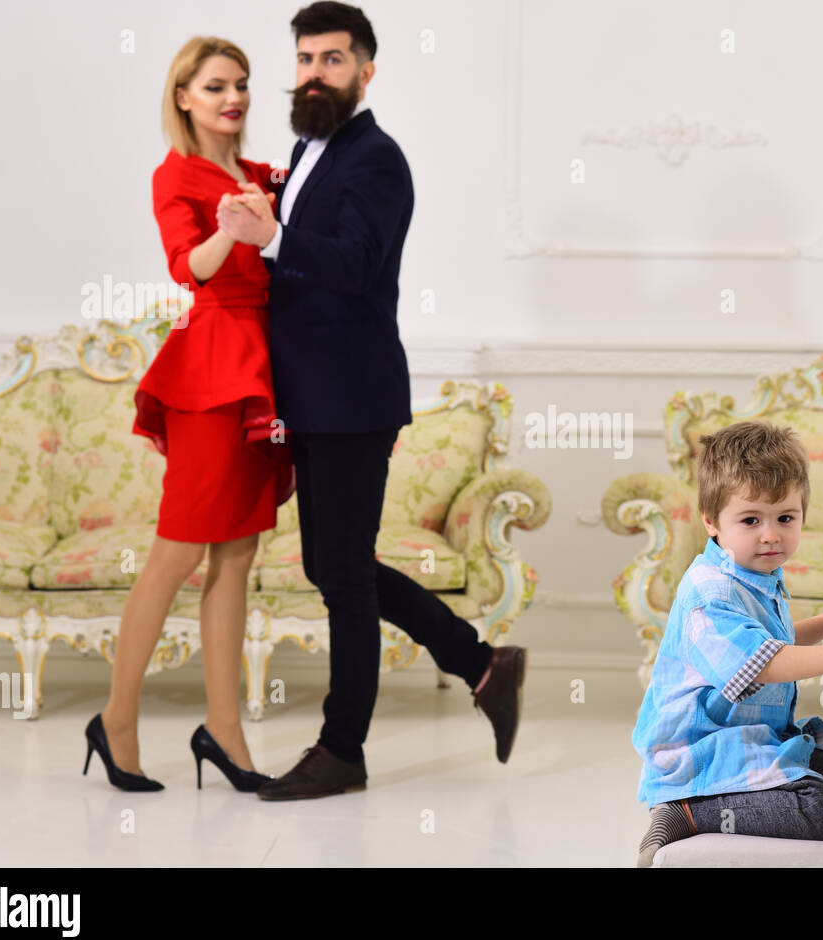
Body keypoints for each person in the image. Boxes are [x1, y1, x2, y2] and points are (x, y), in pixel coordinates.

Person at [216, 2, 525, 801]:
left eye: (334, 59)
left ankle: (341, 748)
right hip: (314, 396)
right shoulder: (308, 147)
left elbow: (354, 263)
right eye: (307, 59)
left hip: (353, 395)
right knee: (332, 563)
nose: (316, 73)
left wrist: (272, 239)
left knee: (344, 575)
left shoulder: (377, 159)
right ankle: (482, 661)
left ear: (366, 71)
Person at [83, 36, 292, 793]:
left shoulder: (263, 173)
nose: (232, 98)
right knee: (176, 553)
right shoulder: (176, 175)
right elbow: (189, 267)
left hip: (264, 359)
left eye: (239, 84)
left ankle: (225, 730)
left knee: (237, 554)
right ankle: (117, 719)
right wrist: (226, 234)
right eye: (214, 87)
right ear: (183, 97)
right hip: (213, 367)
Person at [631, 419, 823, 866]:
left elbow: (774, 641)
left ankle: (739, 806)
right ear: (712, 522)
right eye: (751, 520)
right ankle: (684, 812)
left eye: (785, 518)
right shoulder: (713, 593)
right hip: (700, 751)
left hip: (743, 736)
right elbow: (761, 663)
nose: (771, 534)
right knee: (821, 812)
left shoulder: (756, 574)